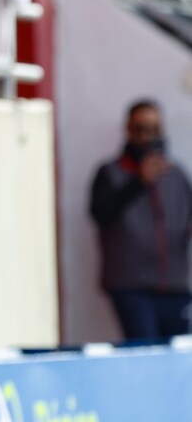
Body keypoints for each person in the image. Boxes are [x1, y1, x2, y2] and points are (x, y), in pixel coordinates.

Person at [89, 100, 192, 341]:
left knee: (181, 357)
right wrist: (137, 182)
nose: (148, 137)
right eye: (141, 129)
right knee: (144, 350)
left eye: (154, 129)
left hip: (174, 285)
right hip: (130, 287)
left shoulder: (176, 175)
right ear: (129, 130)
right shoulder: (110, 173)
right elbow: (100, 213)